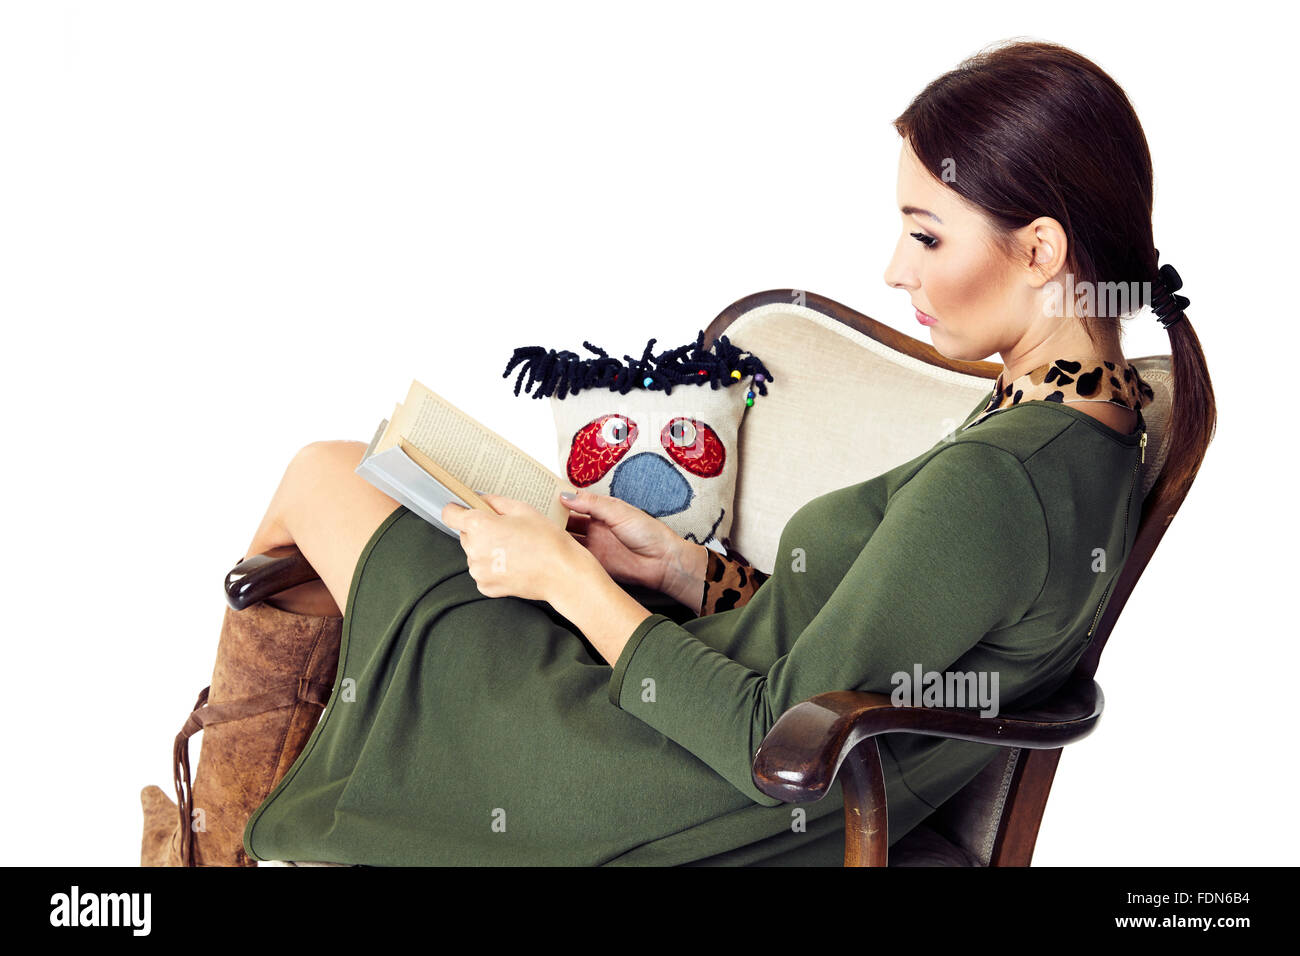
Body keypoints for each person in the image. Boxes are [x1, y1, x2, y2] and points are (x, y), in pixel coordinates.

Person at [148, 38, 1217, 867]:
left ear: (1040, 249)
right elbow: (856, 633)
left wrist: (566, 579)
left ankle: (212, 833)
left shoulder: (1010, 476)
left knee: (325, 475)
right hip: (677, 707)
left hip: (658, 772)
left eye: (926, 233)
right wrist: (673, 567)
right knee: (356, 483)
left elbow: (777, 745)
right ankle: (221, 829)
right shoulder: (1081, 427)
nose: (894, 268)